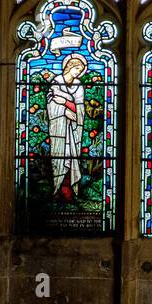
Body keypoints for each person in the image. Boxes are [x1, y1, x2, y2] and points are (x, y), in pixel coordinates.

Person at [46, 52, 87, 201]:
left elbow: (80, 109)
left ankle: (70, 190)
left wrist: (66, 103)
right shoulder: (56, 82)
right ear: (69, 67)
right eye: (77, 69)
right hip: (58, 127)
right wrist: (64, 109)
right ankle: (57, 188)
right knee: (59, 157)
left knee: (72, 157)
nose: (79, 73)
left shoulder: (78, 86)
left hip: (73, 129)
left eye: (81, 70)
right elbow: (50, 104)